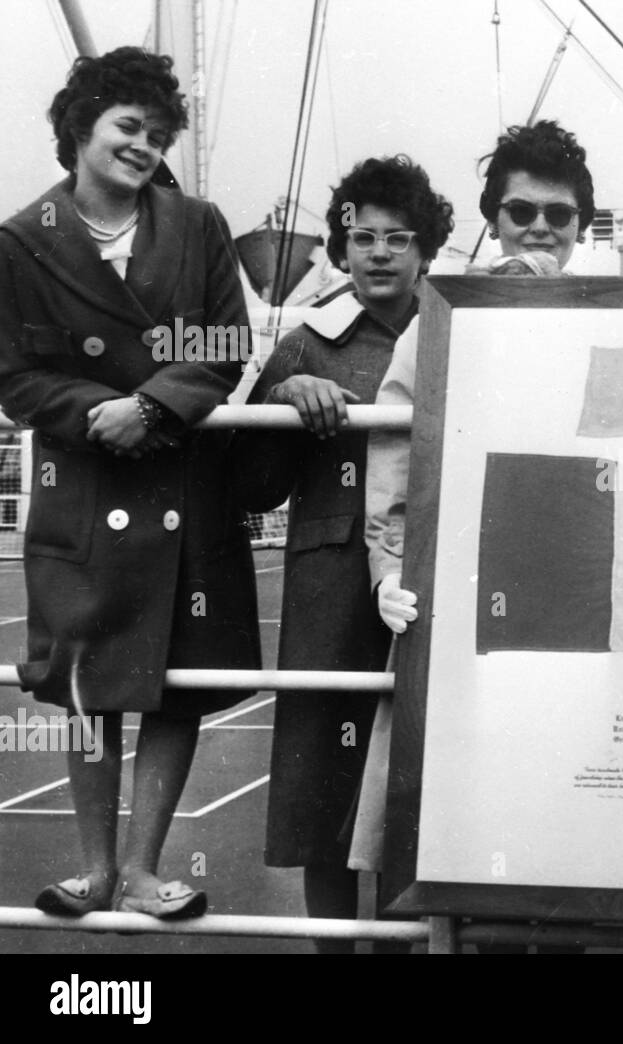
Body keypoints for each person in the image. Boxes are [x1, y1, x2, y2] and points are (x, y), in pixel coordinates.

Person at [0, 47, 259, 919]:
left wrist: (151, 407)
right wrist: (88, 411)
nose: (143, 146)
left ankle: (144, 868)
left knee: (173, 679)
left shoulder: (199, 225)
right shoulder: (18, 240)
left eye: (156, 134)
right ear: (80, 127)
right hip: (82, 487)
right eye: (126, 127)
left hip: (180, 476)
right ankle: (94, 866)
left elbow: (228, 343)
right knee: (84, 685)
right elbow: (11, 373)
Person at [358, 121, 593, 953]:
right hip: (462, 603)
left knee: (573, 807)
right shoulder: (438, 319)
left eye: (557, 216)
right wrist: (389, 570)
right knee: (449, 822)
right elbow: (392, 445)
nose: (538, 228)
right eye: (520, 210)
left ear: (581, 229)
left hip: (578, 596)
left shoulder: (615, 315)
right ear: (492, 220)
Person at [235, 155, 453, 952]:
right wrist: (279, 397)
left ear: (427, 250)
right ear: (340, 246)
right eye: (363, 237)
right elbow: (253, 490)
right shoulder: (306, 342)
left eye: (400, 238)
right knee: (323, 785)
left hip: (424, 573)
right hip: (329, 583)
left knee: (419, 774)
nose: (381, 253)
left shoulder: (454, 329)